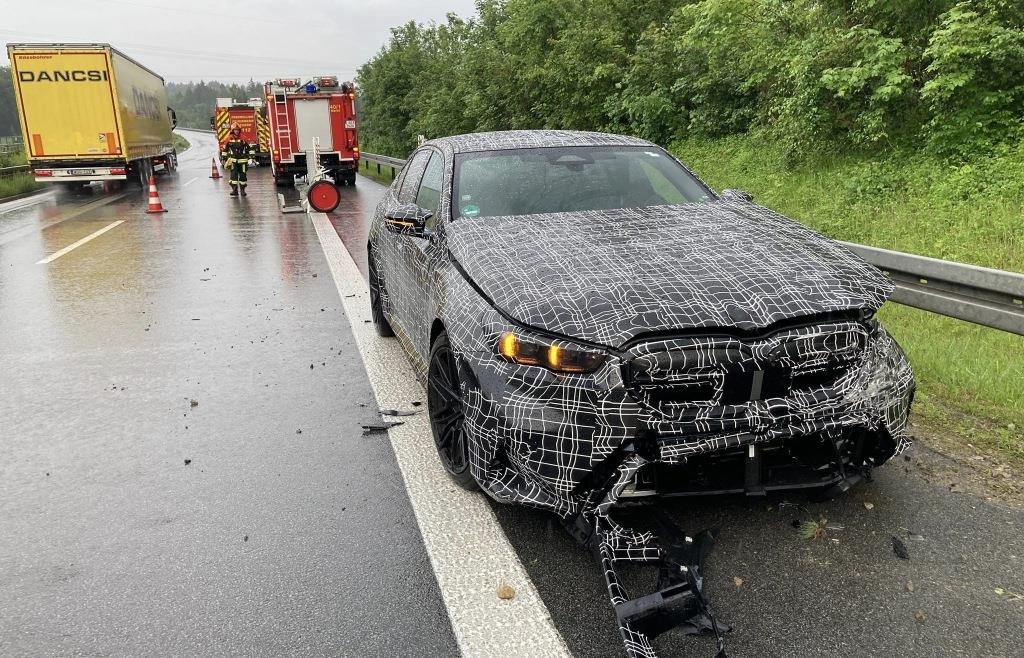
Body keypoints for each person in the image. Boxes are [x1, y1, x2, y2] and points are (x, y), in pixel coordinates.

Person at [221, 122, 255, 196]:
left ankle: (242, 190)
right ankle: (235, 190)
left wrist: (251, 156)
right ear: (232, 130)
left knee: (243, 176)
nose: (237, 131)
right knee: (233, 177)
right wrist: (223, 158)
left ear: (240, 130)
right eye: (235, 130)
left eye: (238, 130)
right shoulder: (229, 138)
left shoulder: (244, 138)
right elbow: (224, 149)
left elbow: (250, 147)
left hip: (243, 161)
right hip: (233, 161)